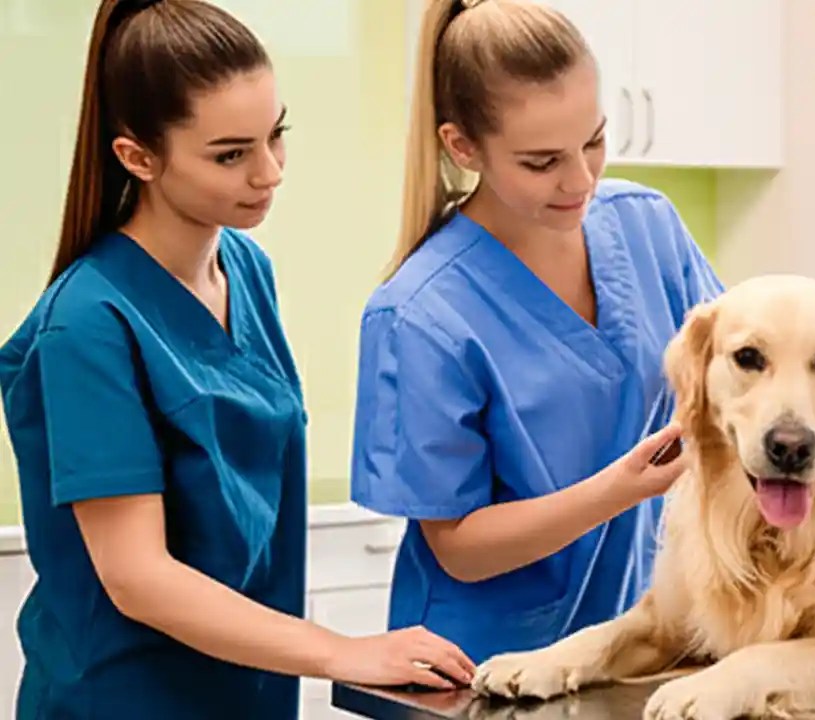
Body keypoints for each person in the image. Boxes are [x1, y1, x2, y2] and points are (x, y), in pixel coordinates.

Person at [0, 1, 473, 718]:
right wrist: (342, 651)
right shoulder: (87, 327)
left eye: (275, 135)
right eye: (231, 154)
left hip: (245, 694)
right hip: (124, 701)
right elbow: (138, 577)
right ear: (138, 157)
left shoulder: (246, 270)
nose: (270, 171)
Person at [348, 0, 725, 666]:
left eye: (594, 141)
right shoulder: (419, 315)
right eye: (541, 160)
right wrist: (622, 487)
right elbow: (459, 547)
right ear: (462, 146)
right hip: (479, 669)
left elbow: (734, 374)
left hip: (630, 645)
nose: (580, 179)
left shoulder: (648, 227)